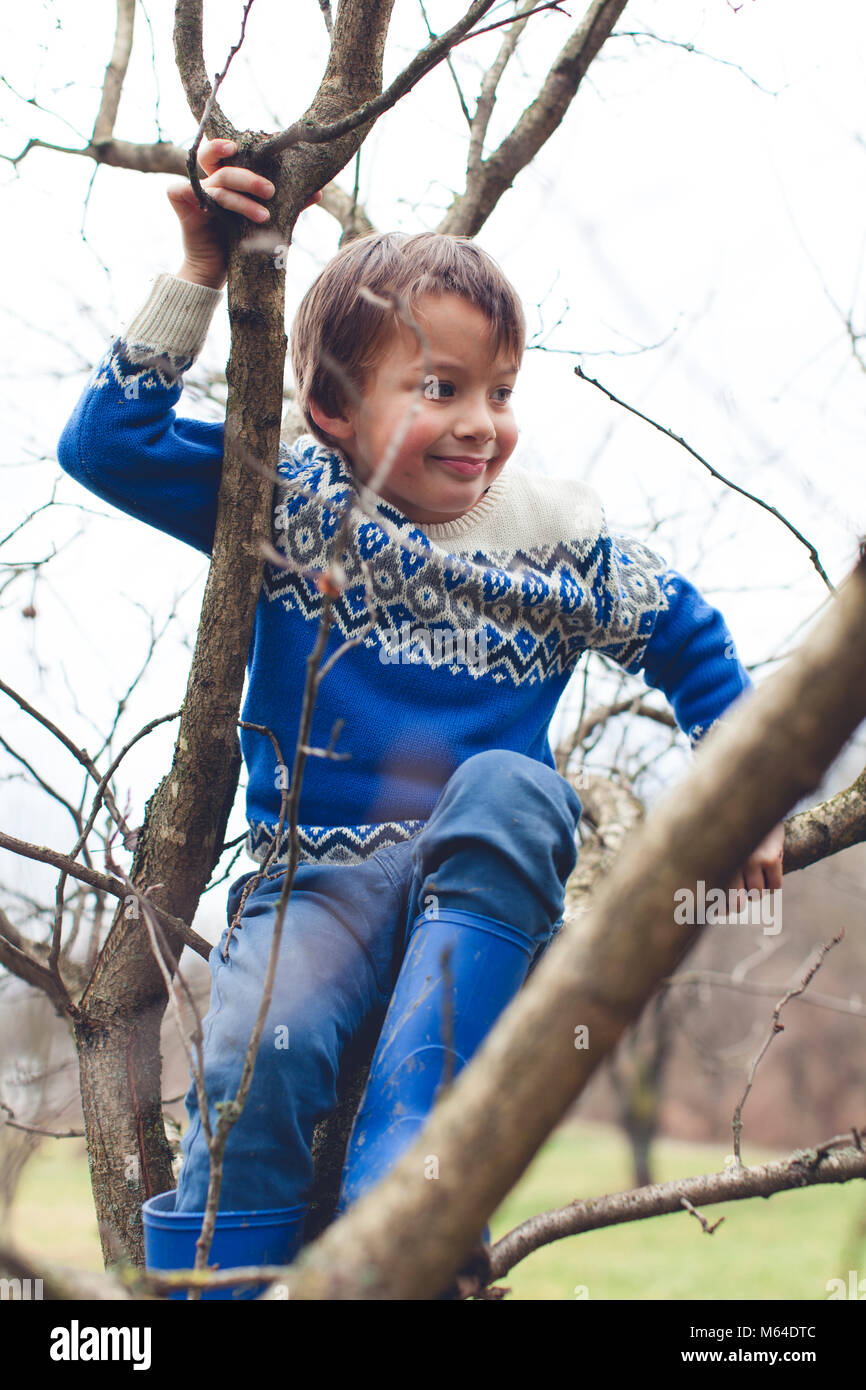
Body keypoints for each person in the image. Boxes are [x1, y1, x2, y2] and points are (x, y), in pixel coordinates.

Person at [57, 138, 784, 1296]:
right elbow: (107, 445)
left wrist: (747, 798)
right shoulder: (290, 496)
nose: (481, 424)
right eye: (439, 388)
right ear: (335, 408)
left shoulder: (558, 539)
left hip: (478, 883)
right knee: (258, 1063)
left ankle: (405, 1227)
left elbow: (686, 636)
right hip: (316, 880)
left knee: (511, 796)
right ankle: (217, 1278)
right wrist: (200, 265)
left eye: (500, 391)